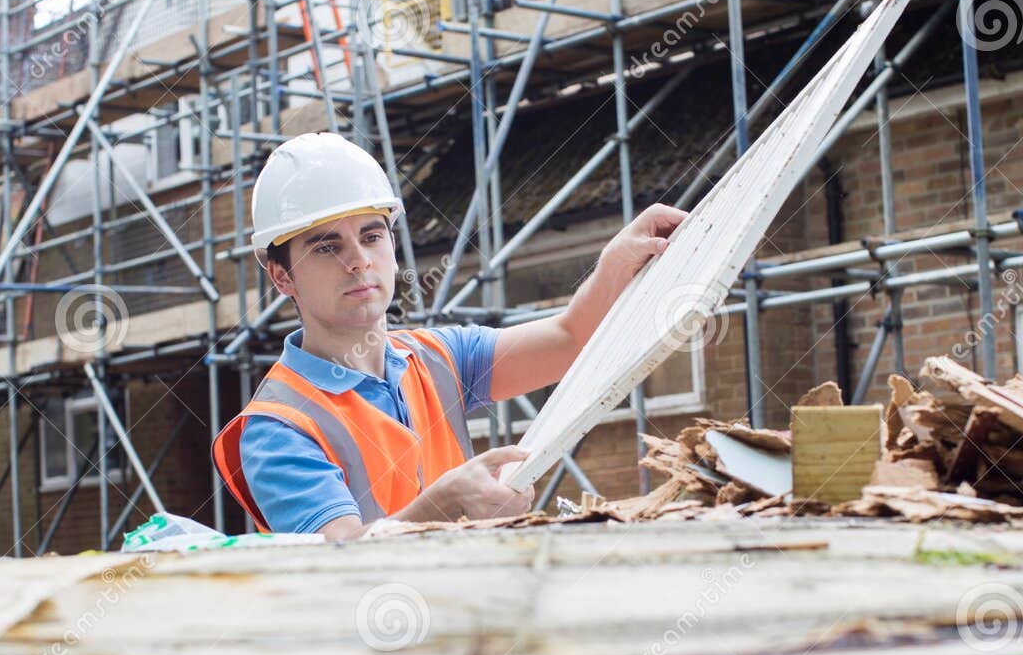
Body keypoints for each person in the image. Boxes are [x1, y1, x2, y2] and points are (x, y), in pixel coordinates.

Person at [212, 132, 685, 541]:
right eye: (327, 247)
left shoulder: (439, 356)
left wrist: (615, 265)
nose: (358, 260)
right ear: (282, 277)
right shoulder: (278, 428)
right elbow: (342, 561)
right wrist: (445, 504)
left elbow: (569, 338)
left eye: (371, 236)